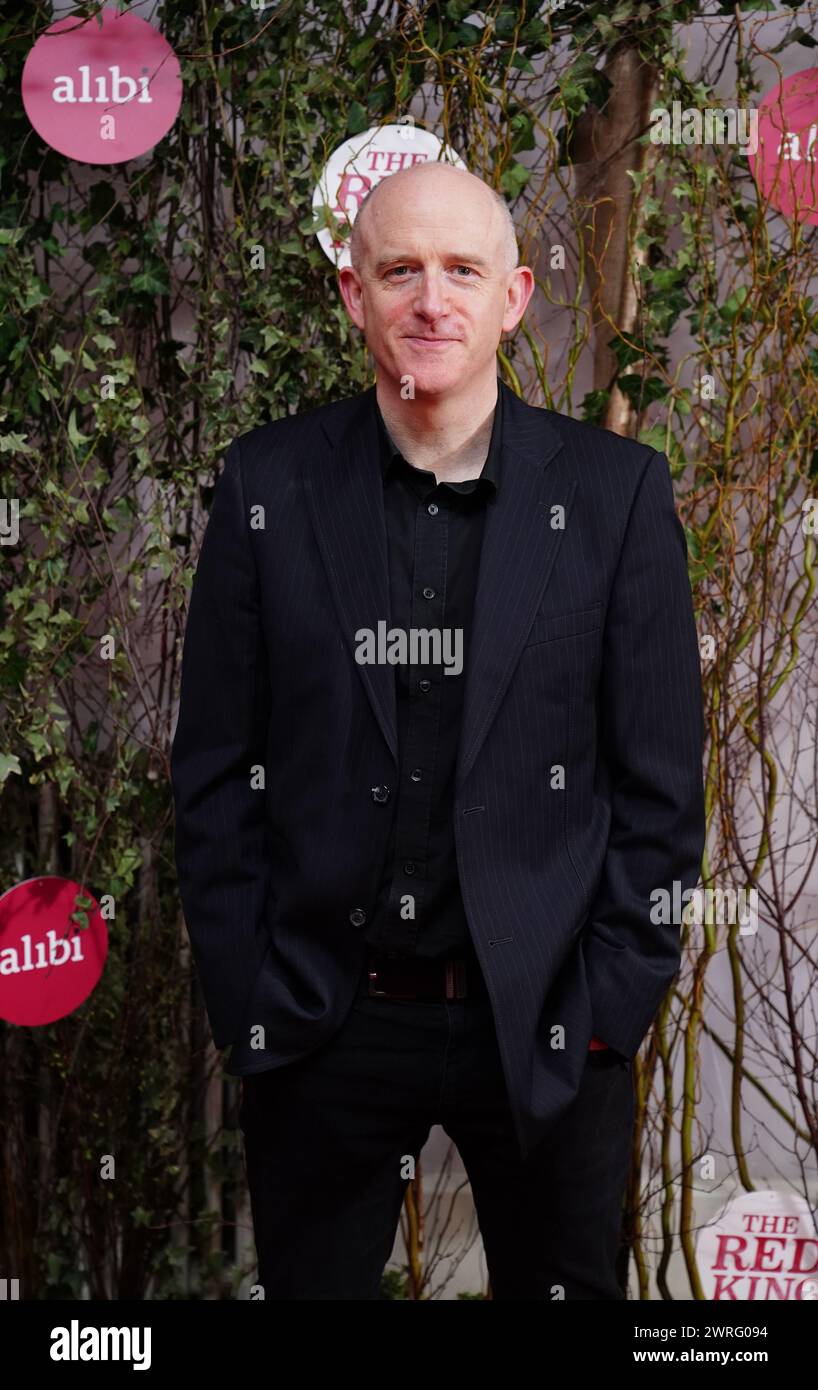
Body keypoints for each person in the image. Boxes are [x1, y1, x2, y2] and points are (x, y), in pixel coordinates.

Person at [170, 160, 706, 1300]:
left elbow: (660, 788)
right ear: (351, 296)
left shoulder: (613, 497)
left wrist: (609, 1007)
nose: (430, 300)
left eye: (460, 270)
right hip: (325, 1017)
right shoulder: (268, 484)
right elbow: (216, 770)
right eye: (398, 269)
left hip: (550, 1022)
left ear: (512, 297)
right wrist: (252, 993)